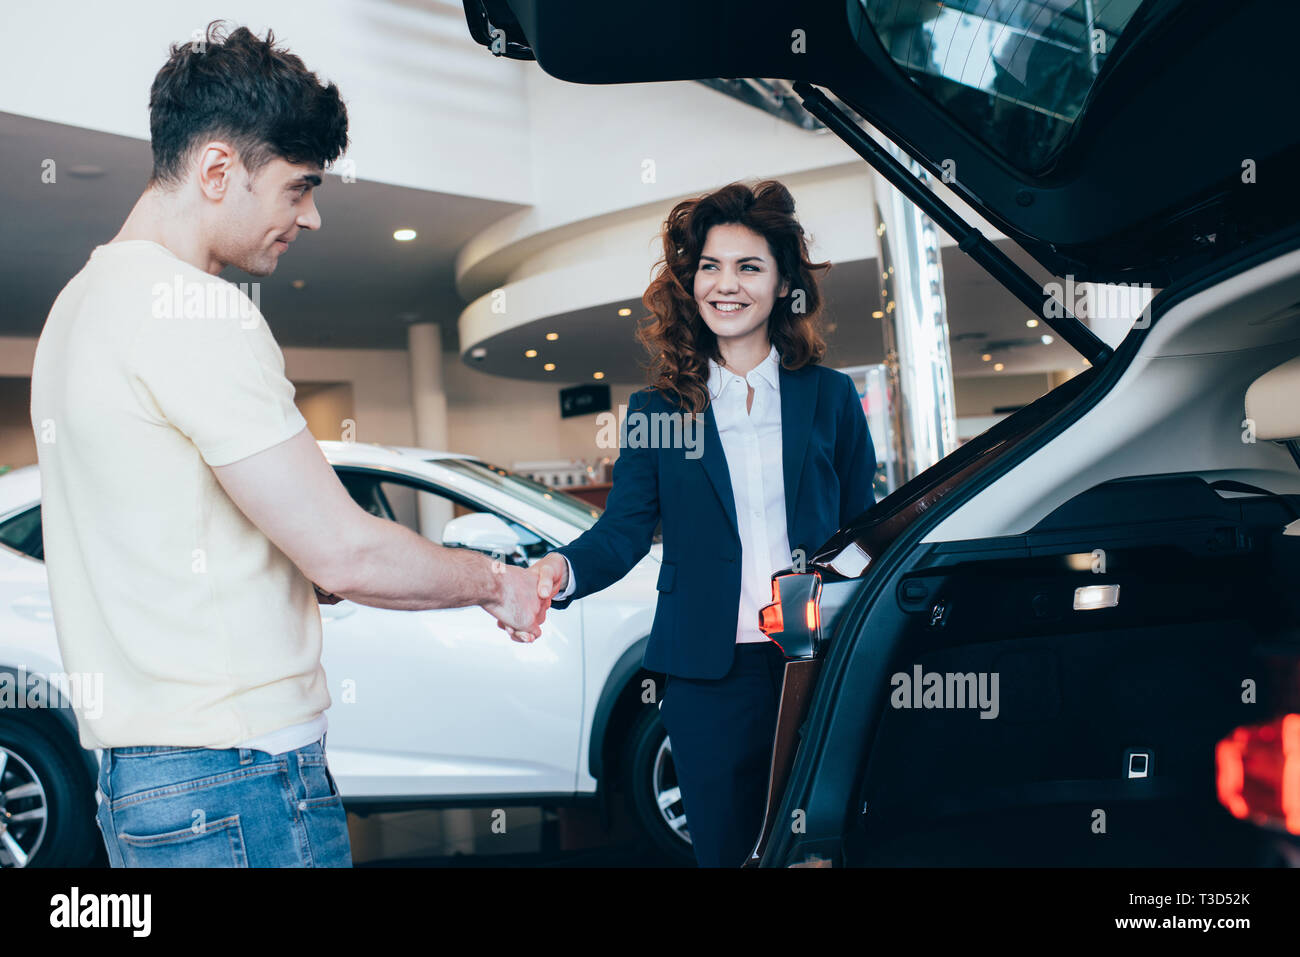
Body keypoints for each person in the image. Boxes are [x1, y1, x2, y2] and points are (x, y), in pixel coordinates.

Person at [28, 21, 549, 868]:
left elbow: (180, 531)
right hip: (240, 776)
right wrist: (497, 580)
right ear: (218, 171)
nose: (311, 216)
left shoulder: (75, 310)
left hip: (142, 785)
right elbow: (344, 552)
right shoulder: (194, 311)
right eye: (299, 187)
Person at [533, 180, 877, 866]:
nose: (727, 284)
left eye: (750, 267)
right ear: (691, 282)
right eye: (711, 267)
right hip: (703, 677)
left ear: (783, 285)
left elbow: (861, 530)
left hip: (813, 663)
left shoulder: (832, 396)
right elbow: (624, 531)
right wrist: (561, 569)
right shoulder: (659, 410)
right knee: (724, 851)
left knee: (820, 847)